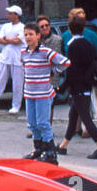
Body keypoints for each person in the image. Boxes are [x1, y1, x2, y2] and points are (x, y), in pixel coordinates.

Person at [55, 13, 97, 160]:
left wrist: (64, 86)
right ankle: (63, 145)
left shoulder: (72, 46)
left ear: (69, 29)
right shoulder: (88, 44)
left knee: (85, 117)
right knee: (73, 115)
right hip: (86, 84)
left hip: (77, 86)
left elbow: (72, 70)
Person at [19, 24, 70, 162]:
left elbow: (65, 62)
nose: (28, 37)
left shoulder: (46, 52)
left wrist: (52, 72)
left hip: (43, 94)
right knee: (32, 123)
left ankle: (50, 152)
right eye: (26, 34)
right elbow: (25, 68)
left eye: (31, 34)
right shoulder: (23, 53)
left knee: (43, 123)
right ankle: (38, 149)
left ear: (38, 36)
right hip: (30, 93)